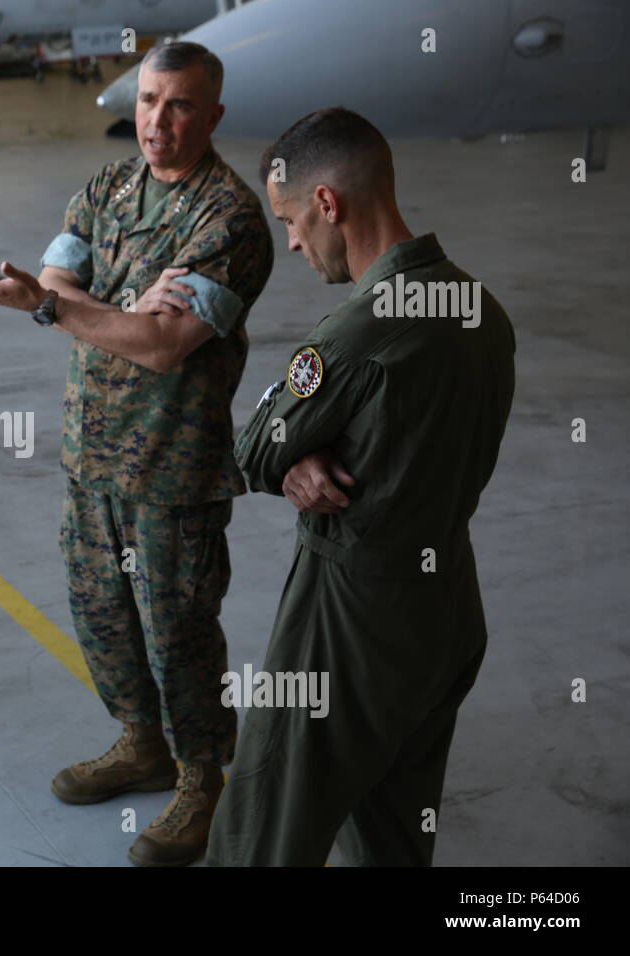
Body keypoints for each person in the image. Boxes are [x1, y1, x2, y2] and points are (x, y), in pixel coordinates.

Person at [0, 41, 273, 867]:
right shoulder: (106, 186)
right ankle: (141, 743)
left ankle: (202, 777)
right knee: (103, 618)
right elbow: (60, 286)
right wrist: (124, 307)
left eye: (181, 106)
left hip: (173, 470)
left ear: (214, 116)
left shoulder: (227, 218)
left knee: (178, 632)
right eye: (149, 101)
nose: (158, 122)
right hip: (90, 455)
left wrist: (85, 311)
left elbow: (166, 348)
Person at [206, 107, 515, 866]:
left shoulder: (359, 330)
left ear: (328, 204)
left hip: (346, 624)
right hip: (444, 613)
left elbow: (249, 448)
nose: (293, 243)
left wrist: (288, 458)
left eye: (291, 220)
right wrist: (300, 459)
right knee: (395, 836)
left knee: (263, 827)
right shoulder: (481, 310)